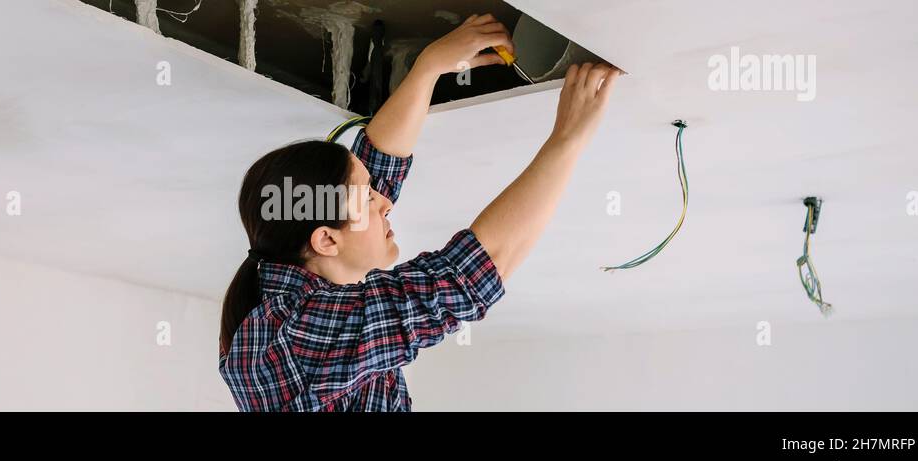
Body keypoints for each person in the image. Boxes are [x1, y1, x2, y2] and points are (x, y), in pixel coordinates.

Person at [219, 14, 619, 411]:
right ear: (325, 239)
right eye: (370, 199)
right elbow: (464, 278)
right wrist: (568, 139)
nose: (386, 202)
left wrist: (430, 66)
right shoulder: (293, 339)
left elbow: (376, 169)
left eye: (373, 195)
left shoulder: (300, 306)